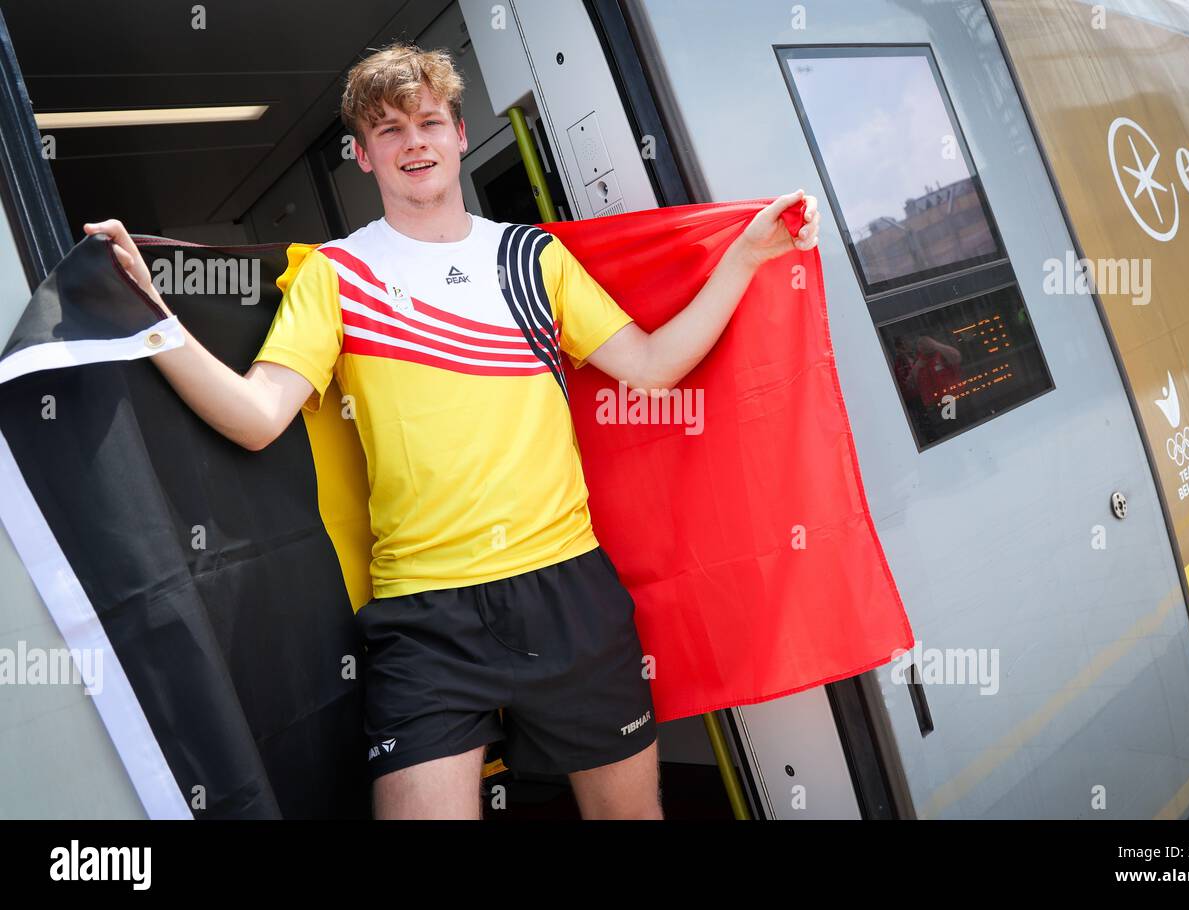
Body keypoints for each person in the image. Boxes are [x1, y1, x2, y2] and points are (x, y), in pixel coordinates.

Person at [83, 41, 820, 820]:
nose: (414, 143)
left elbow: (650, 367)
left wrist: (744, 257)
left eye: (429, 122)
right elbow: (259, 416)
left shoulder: (533, 258)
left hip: (569, 589)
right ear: (362, 155)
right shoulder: (335, 277)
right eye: (390, 130)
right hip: (424, 618)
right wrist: (150, 318)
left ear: (461, 136)